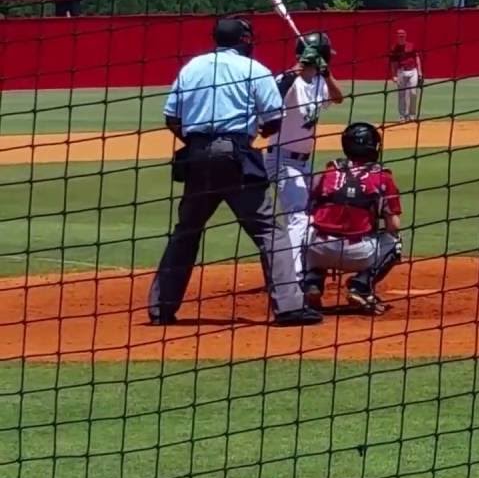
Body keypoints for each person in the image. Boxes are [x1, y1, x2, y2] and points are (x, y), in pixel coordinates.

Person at [150, 17, 322, 326]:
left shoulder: (191, 68)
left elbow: (172, 118)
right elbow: (273, 120)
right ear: (244, 39)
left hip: (196, 157)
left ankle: (161, 308)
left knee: (186, 232)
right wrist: (245, 137)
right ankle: (289, 307)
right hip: (237, 157)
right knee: (269, 231)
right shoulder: (254, 69)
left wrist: (198, 144)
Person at [265, 30, 345, 292]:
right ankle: (292, 276)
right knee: (298, 215)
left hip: (303, 162)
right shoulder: (288, 81)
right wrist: (297, 69)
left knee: (312, 213)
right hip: (281, 158)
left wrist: (325, 72)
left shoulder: (320, 82)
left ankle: (302, 266)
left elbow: (338, 97)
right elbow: (274, 96)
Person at [302, 122, 404, 314]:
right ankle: (361, 286)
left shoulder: (329, 170)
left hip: (317, 250)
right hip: (357, 253)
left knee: (303, 228)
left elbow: (310, 207)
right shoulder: (383, 176)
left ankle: (311, 282)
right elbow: (393, 225)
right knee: (395, 242)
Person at [388, 29, 422, 122]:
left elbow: (417, 58)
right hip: (401, 72)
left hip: (412, 71)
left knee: (413, 92)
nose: (401, 37)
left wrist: (420, 72)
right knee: (401, 94)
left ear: (405, 36)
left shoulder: (411, 45)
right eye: (399, 35)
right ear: (397, 37)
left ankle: (412, 115)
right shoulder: (394, 48)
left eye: (403, 35)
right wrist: (394, 75)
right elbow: (393, 63)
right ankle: (402, 115)